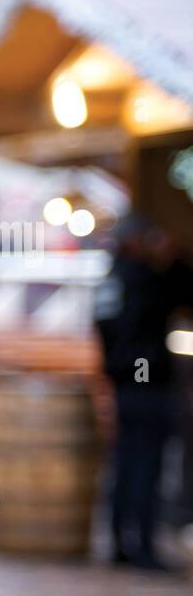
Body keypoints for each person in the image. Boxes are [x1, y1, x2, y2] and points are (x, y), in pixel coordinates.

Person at [95, 213, 193, 571]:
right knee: (145, 465)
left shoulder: (111, 279)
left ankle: (122, 543)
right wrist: (174, 257)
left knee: (125, 463)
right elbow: (184, 291)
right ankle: (143, 549)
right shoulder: (145, 279)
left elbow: (105, 331)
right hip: (147, 385)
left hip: (124, 384)